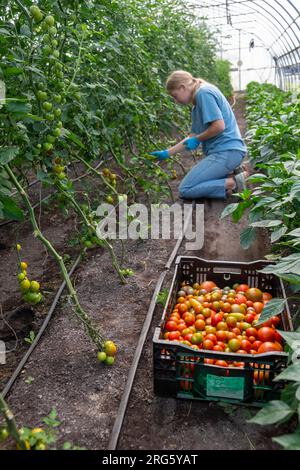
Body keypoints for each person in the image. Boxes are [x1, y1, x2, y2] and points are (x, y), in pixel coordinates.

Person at [150, 70, 248, 199]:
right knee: (198, 184)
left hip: (227, 152)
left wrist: (198, 139)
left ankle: (233, 183)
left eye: (175, 96)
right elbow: (193, 136)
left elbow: (219, 126)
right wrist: (167, 153)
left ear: (182, 87)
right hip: (226, 152)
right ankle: (231, 175)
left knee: (186, 189)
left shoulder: (204, 93)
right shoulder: (197, 102)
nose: (175, 100)